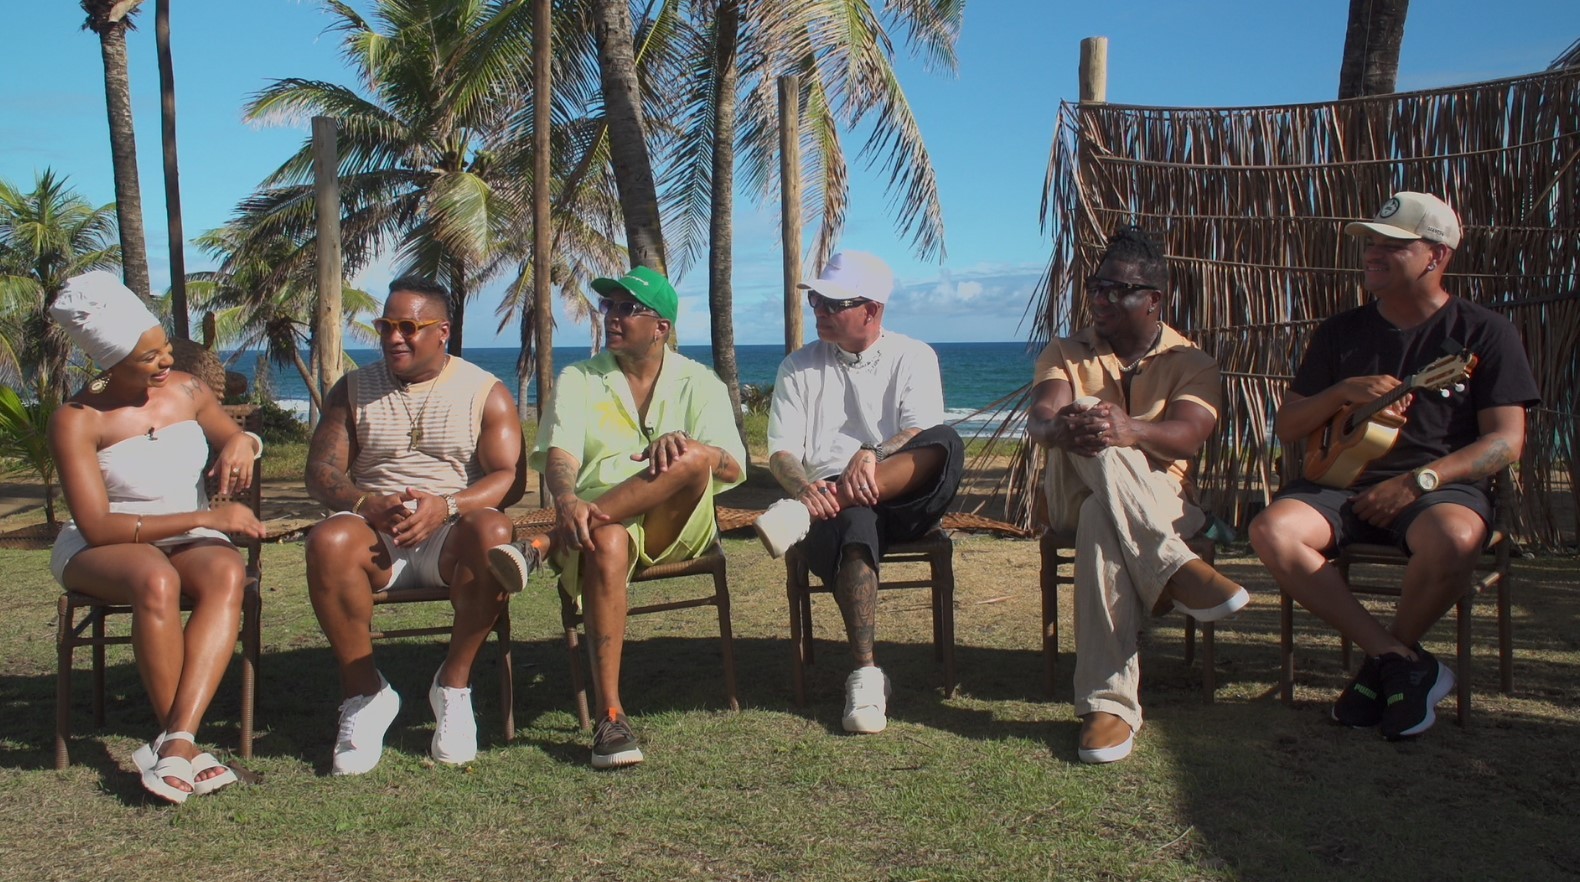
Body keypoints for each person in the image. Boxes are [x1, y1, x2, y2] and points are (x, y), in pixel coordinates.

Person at [1250, 192, 1539, 740]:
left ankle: (1377, 670)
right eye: (1371, 244)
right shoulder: (1340, 332)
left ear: (1437, 256)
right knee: (1271, 530)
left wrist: (1419, 481)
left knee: (1453, 539)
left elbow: (1505, 442)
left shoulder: (1484, 334)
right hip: (1337, 483)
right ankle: (1397, 660)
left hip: (1438, 488)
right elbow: (1288, 427)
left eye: (1393, 245)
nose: (1373, 254)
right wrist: (1341, 391)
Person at [506, 265, 745, 769]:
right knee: (609, 541)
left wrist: (689, 447)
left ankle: (543, 544)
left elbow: (733, 465)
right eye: (609, 306)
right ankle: (611, 715)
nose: (612, 316)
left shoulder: (699, 382)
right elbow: (560, 453)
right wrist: (566, 498)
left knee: (690, 456)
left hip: (678, 525)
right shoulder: (580, 378)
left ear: (661, 327)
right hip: (594, 527)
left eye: (627, 308)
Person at [1026, 226, 1248, 765]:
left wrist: (1135, 431)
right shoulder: (1066, 350)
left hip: (1163, 495)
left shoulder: (1192, 362)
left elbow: (1191, 434)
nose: (1100, 299)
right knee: (1083, 417)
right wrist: (1066, 429)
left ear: (1153, 301)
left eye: (1116, 290)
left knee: (1107, 517)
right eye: (1096, 287)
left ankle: (1108, 706)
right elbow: (1042, 414)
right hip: (1072, 490)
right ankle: (1173, 567)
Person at [47, 271, 266, 803]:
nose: (165, 362)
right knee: (155, 577)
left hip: (186, 538)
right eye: (149, 358)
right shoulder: (76, 420)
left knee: (226, 571)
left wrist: (243, 442)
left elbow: (231, 433)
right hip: (101, 547)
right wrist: (208, 521)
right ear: (110, 363)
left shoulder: (188, 389)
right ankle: (184, 748)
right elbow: (98, 526)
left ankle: (175, 743)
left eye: (164, 346)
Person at [303, 276, 526, 775]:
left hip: (451, 537)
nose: (393, 337)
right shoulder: (353, 389)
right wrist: (365, 502)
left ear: (442, 331)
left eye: (409, 327)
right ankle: (365, 695)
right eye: (386, 326)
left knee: (493, 531)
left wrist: (446, 506)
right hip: (376, 538)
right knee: (328, 539)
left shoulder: (482, 391)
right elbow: (320, 473)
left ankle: (452, 687)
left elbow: (508, 478)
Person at [755, 250, 964, 735]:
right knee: (855, 522)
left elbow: (919, 431)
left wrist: (872, 451)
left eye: (832, 302)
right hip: (829, 503)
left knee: (946, 439)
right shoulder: (799, 367)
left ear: (871, 309)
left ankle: (805, 513)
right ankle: (867, 674)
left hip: (903, 493)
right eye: (815, 301)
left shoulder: (913, 356)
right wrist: (806, 489)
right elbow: (782, 452)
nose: (819, 311)